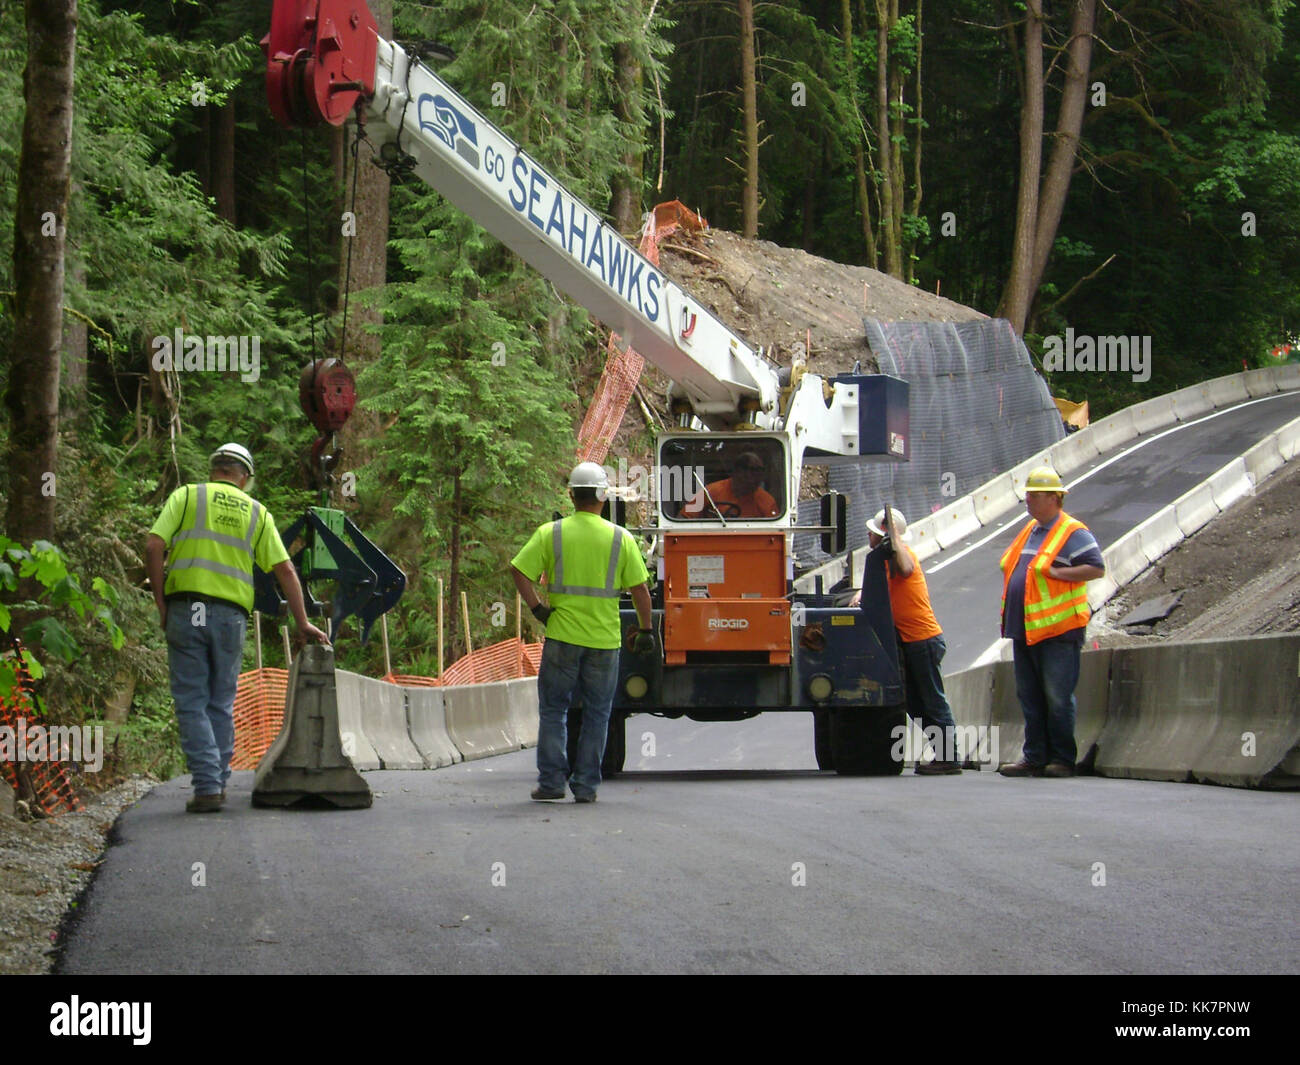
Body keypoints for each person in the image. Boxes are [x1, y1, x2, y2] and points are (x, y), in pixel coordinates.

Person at [146, 443, 330, 813]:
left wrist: (161, 602)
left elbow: (153, 544)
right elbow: (285, 570)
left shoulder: (187, 496)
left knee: (192, 700)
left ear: (215, 469)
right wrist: (303, 621)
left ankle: (208, 786)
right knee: (220, 700)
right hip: (231, 616)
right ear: (244, 478)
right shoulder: (256, 512)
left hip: (190, 608)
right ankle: (218, 781)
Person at [511, 462, 654, 803]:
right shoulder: (621, 539)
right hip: (604, 643)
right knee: (597, 714)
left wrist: (537, 608)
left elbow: (518, 571)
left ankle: (551, 784)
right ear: (604, 496)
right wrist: (647, 630)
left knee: (553, 711)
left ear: (571, 495)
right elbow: (640, 592)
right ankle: (586, 787)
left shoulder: (552, 533)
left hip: (562, 637)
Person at [997, 466, 1105, 778]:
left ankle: (1060, 759)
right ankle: (1034, 757)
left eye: (1033, 495)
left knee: (1057, 696)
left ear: (1052, 498)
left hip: (1058, 629)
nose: (1027, 500)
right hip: (1027, 628)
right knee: (1029, 696)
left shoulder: (1073, 533)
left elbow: (1095, 568)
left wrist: (1060, 573)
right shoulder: (1031, 530)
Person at [850, 507, 962, 774]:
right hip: (911, 642)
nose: (869, 534)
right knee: (915, 703)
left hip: (922, 640)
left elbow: (906, 567)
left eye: (875, 532)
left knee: (932, 700)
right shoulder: (886, 565)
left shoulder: (903, 558)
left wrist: (895, 542)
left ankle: (949, 758)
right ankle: (944, 753)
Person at [681, 449, 778, 518]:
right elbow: (683, 518)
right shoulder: (711, 491)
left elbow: (776, 531)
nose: (755, 477)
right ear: (736, 471)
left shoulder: (766, 501)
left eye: (759, 471)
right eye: (752, 470)